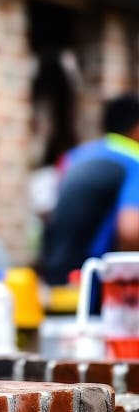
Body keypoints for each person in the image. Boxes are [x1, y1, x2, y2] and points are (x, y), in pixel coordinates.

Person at [41, 94, 139, 285]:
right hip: (99, 278)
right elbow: (130, 231)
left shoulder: (73, 156)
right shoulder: (133, 160)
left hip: (59, 272)